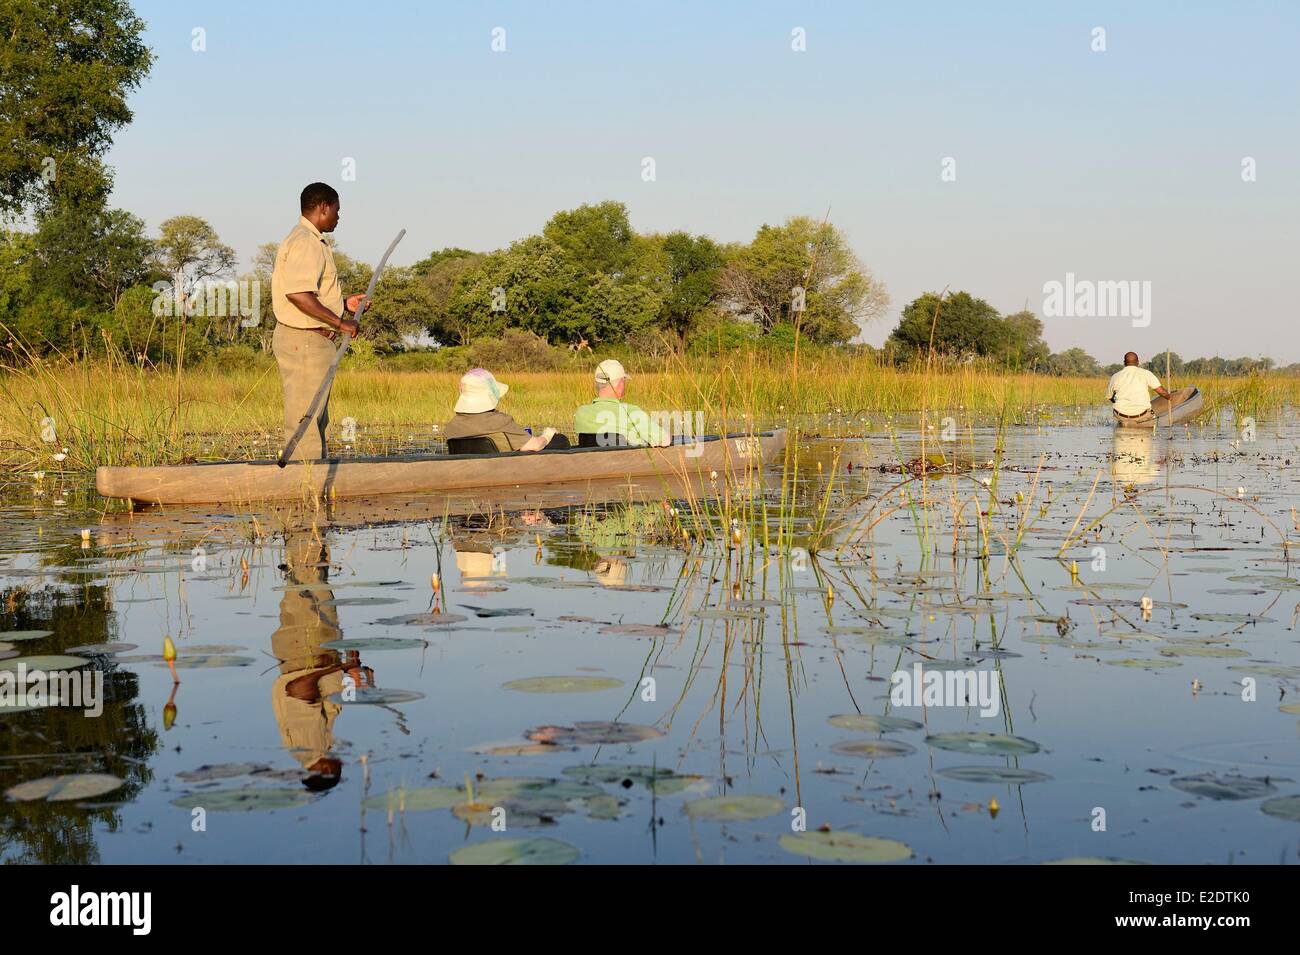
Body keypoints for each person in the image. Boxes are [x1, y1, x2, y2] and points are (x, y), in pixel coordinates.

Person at [270, 182, 369, 461]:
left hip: (312, 340)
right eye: (337, 210)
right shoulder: (305, 241)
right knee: (306, 419)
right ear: (323, 207)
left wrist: (345, 304)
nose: (339, 217)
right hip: (305, 341)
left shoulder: (310, 239)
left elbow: (310, 294)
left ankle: (315, 480)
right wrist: (340, 323)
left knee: (315, 419)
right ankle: (305, 488)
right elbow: (298, 294)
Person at [444, 368, 569, 452]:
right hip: (505, 469)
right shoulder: (500, 421)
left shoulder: (451, 426)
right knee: (560, 439)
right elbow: (535, 446)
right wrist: (547, 434)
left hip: (471, 470)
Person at [574, 359, 673, 447]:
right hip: (625, 466)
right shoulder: (631, 412)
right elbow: (664, 441)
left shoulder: (581, 412)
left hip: (592, 466)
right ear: (620, 384)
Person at [1106, 352, 1171, 420]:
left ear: (1124, 362)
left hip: (1121, 415)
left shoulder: (1115, 376)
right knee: (1153, 415)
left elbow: (1109, 396)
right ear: (1138, 362)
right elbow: (1162, 392)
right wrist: (1170, 397)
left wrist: (1118, 402)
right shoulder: (1146, 373)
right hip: (1141, 415)